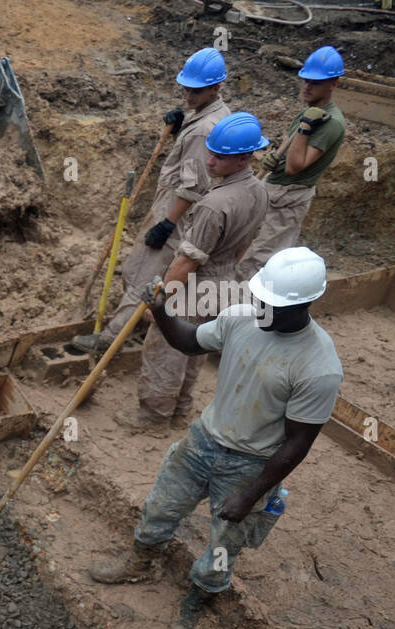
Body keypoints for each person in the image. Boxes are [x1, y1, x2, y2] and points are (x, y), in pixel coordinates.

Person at [89, 247, 343, 629]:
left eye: (271, 303)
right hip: (203, 440)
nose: (260, 306)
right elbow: (191, 343)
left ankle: (197, 601)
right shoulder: (243, 318)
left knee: (224, 545)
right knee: (160, 507)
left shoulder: (319, 367)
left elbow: (298, 443)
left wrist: (251, 492)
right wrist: (163, 314)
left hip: (250, 464)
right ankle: (140, 563)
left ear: (305, 305)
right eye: (260, 296)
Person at [116, 111, 270, 433]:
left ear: (242, 158)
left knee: (167, 348)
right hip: (224, 283)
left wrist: (160, 301)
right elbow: (245, 244)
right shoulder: (259, 191)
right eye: (211, 152)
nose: (210, 161)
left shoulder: (215, 204)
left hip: (194, 285)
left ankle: (154, 417)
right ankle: (181, 411)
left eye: (219, 157)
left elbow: (187, 261)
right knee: (197, 347)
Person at [73, 48, 230, 357]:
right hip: (173, 205)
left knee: (144, 275)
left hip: (176, 212)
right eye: (186, 88)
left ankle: (109, 339)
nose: (188, 95)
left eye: (195, 91)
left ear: (216, 88)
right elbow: (195, 163)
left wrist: (168, 222)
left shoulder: (202, 129)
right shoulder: (211, 116)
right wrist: (179, 127)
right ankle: (136, 321)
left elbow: (193, 183)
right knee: (137, 270)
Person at [236, 46, 347, 281]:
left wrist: (306, 127)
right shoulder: (310, 110)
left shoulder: (330, 122)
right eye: (306, 80)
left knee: (258, 263)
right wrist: (274, 157)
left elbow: (295, 166)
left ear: (334, 84)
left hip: (288, 200)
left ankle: (244, 314)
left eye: (315, 83)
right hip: (272, 189)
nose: (307, 86)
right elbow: (288, 144)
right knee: (240, 246)